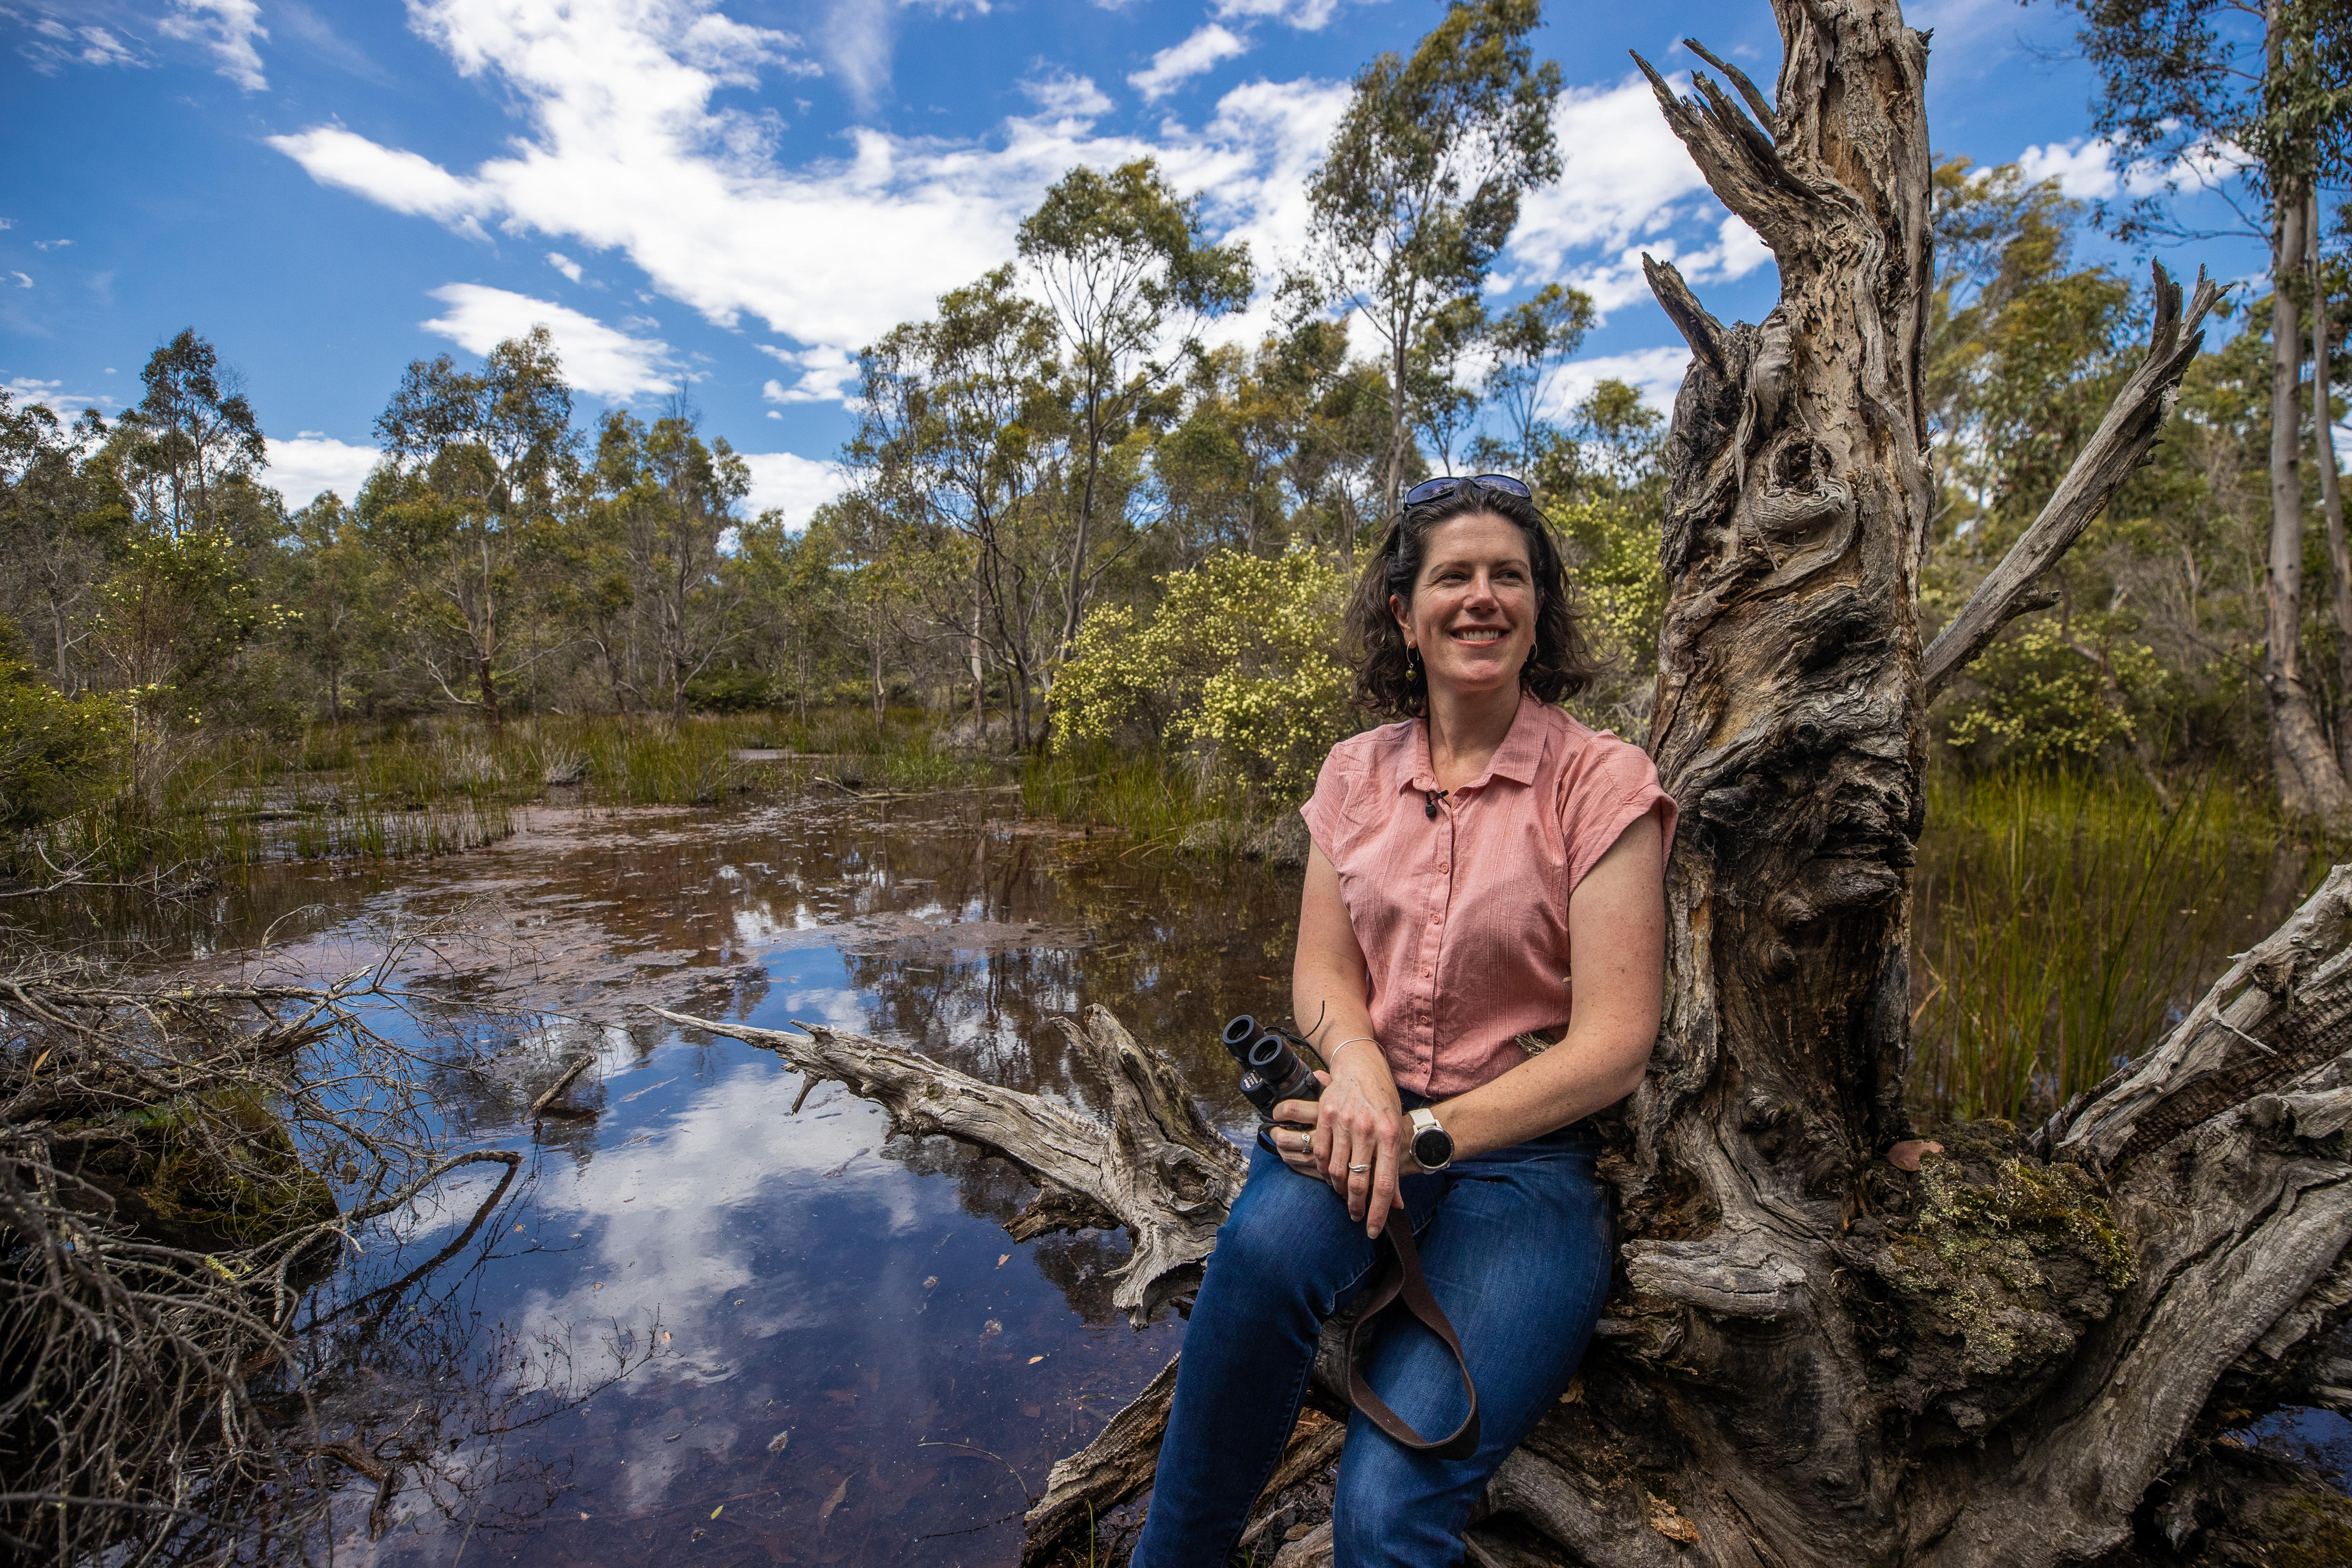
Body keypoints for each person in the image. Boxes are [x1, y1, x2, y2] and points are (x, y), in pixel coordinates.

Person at [1130, 476, 1675, 1568]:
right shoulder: (1355, 772)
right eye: (1453, 576)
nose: (1482, 598)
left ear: (1539, 604)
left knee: (1385, 1515)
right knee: (1263, 1260)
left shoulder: (1599, 780)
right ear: (1402, 611)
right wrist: (1361, 1072)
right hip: (1354, 1118)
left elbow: (1615, 1040)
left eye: (1508, 575)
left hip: (1524, 1166)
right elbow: (1324, 971)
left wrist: (1422, 1135)